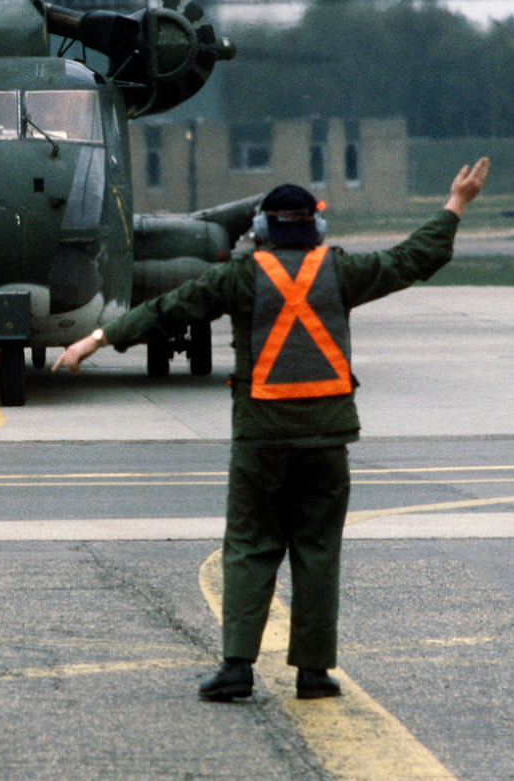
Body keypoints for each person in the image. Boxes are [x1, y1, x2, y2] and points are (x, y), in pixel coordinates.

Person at [54, 158, 489, 701]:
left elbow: (167, 309)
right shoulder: (342, 271)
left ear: (260, 230)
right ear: (316, 229)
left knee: (248, 546)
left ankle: (237, 667)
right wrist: (457, 203)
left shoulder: (239, 276)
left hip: (261, 438)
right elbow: (412, 259)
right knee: (317, 551)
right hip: (327, 439)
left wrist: (95, 340)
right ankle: (313, 672)